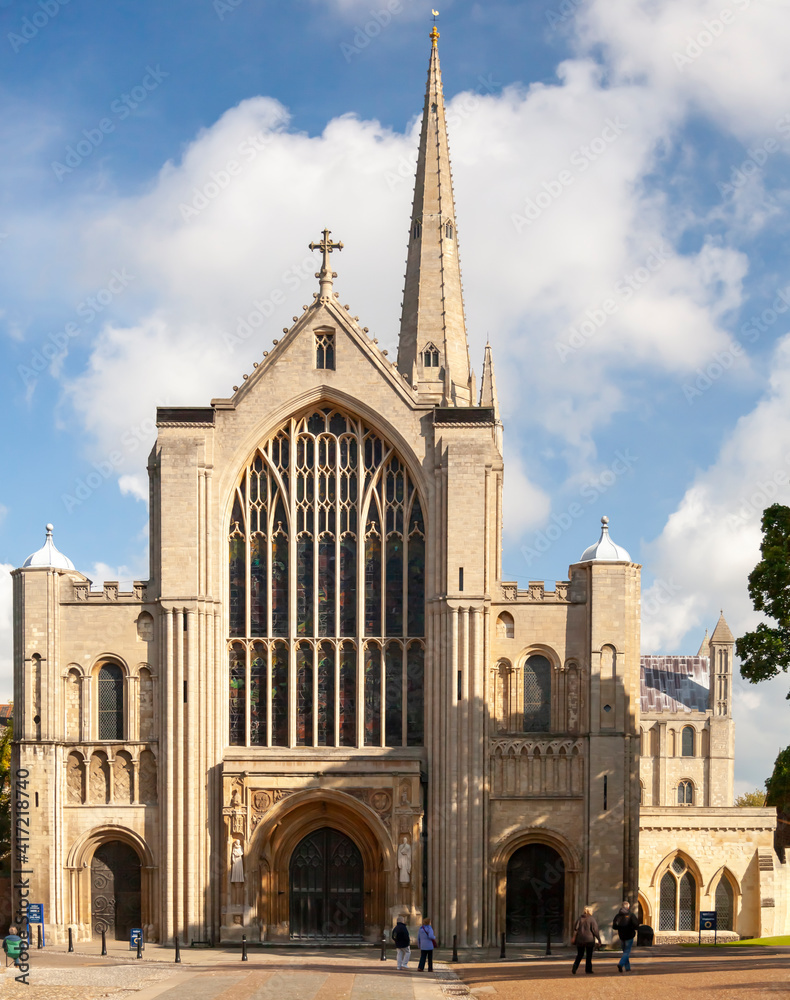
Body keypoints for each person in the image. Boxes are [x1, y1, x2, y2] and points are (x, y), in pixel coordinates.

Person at [571, 906, 601, 975]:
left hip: (580, 939)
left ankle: (575, 966)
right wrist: (599, 939)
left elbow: (576, 929)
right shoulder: (592, 919)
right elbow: (595, 930)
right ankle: (588, 969)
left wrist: (574, 937)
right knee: (589, 955)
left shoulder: (579, 919)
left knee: (580, 954)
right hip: (589, 939)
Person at [612, 901, 639, 973]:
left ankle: (627, 967)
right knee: (627, 952)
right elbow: (636, 925)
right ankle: (621, 964)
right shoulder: (631, 915)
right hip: (629, 935)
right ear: (628, 907)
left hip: (622, 935)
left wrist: (620, 928)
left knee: (625, 952)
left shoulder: (618, 916)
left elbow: (614, 926)